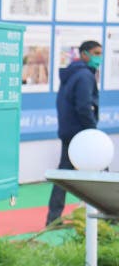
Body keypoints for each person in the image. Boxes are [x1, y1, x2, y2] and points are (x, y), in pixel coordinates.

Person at [46, 40, 102, 226]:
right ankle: (109, 216)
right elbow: (84, 107)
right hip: (82, 134)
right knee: (101, 172)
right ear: (84, 54)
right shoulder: (85, 76)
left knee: (64, 175)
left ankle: (53, 219)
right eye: (95, 53)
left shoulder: (72, 73)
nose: (98, 57)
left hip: (69, 131)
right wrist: (92, 131)